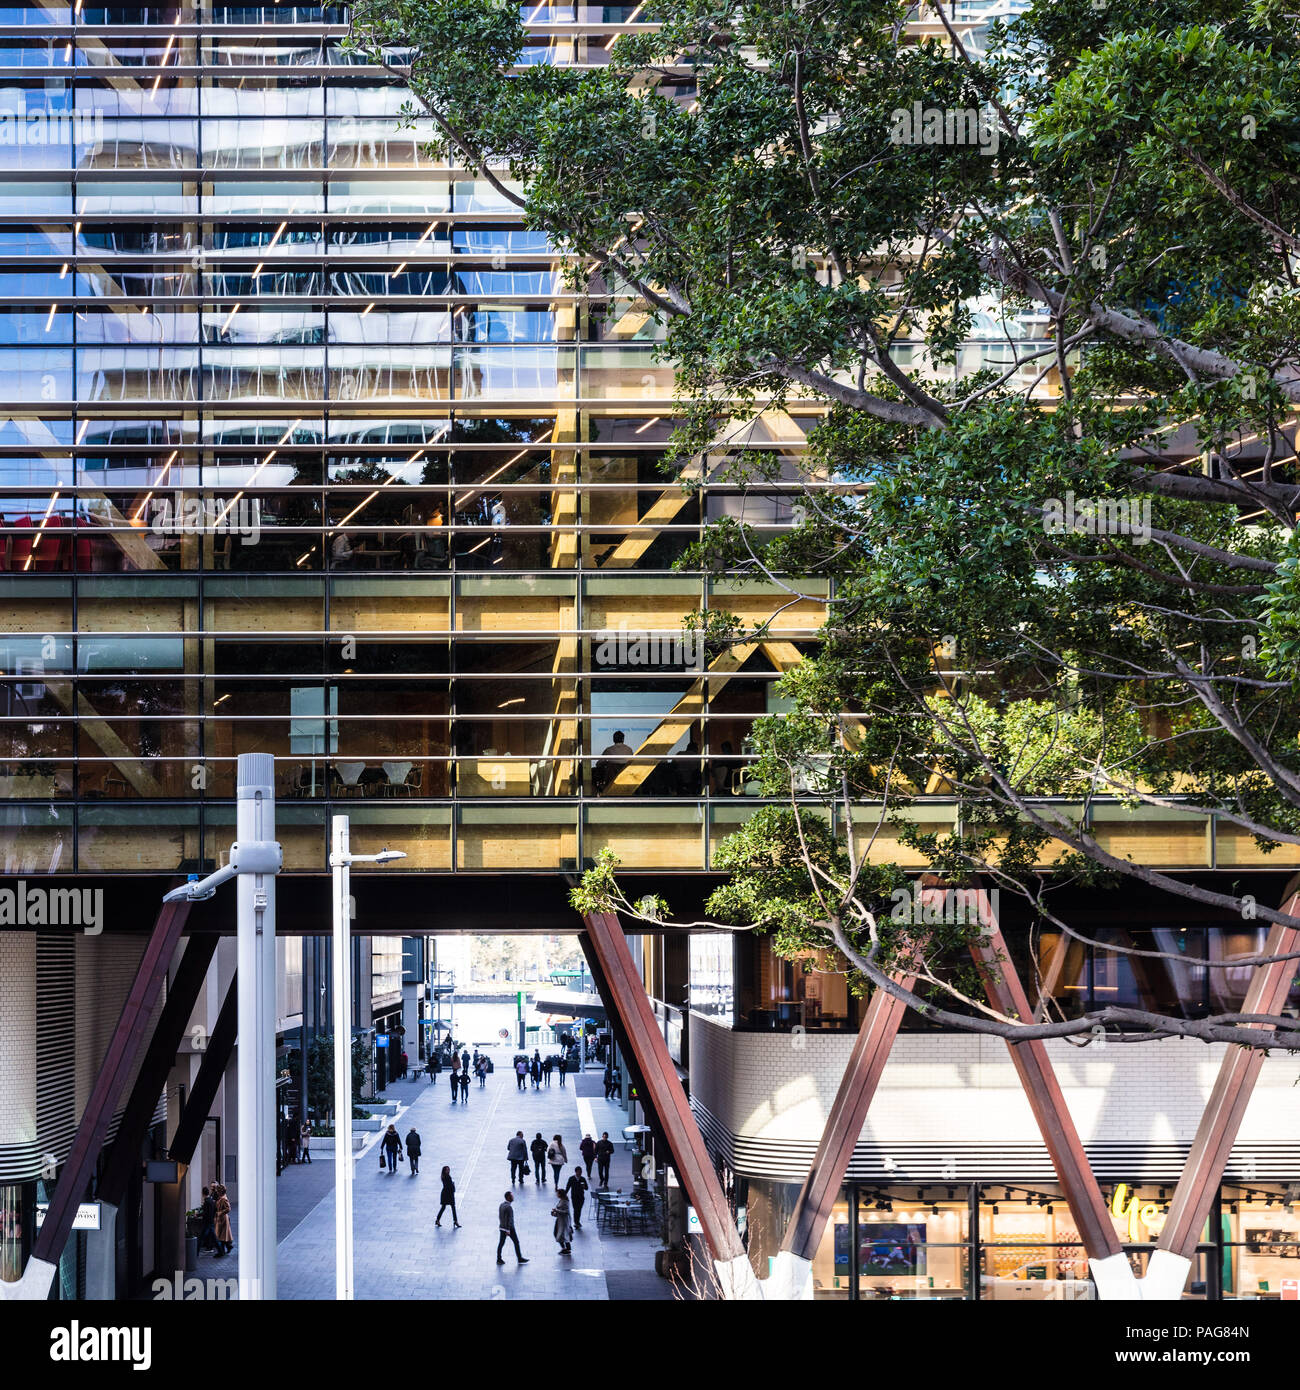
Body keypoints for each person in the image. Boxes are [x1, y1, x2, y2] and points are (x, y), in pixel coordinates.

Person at [496, 1192, 528, 1265]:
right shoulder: (509, 1207)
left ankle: (499, 1258)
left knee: (501, 1243)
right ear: (508, 1197)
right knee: (516, 1242)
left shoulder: (501, 1205)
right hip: (509, 1228)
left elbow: (501, 1217)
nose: (513, 1197)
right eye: (512, 1196)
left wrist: (502, 1226)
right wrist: (508, 1230)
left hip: (502, 1227)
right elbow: (509, 1219)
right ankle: (519, 1258)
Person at [565, 1166, 589, 1230]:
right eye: (579, 1172)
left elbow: (587, 1188)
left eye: (581, 1172)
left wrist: (584, 1187)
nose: (580, 1173)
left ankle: (577, 1221)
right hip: (574, 1197)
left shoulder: (583, 1179)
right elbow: (568, 1187)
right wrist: (564, 1194)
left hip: (581, 1197)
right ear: (576, 1172)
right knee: (576, 1209)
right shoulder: (571, 1179)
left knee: (579, 1209)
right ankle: (576, 1222)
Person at [551, 1189, 573, 1255]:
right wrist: (554, 1213)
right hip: (559, 1220)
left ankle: (566, 1249)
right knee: (560, 1234)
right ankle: (565, 1248)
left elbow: (566, 1212)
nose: (556, 1194)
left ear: (560, 1194)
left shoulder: (565, 1202)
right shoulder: (561, 1200)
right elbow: (560, 1211)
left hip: (564, 1221)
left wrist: (556, 1210)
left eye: (557, 1193)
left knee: (562, 1234)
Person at [213, 1184, 233, 1256]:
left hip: (223, 1219)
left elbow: (228, 1208)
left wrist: (220, 1213)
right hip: (221, 1218)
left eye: (218, 1191)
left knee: (220, 1235)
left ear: (220, 1191)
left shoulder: (224, 1199)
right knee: (222, 1235)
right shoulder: (221, 1197)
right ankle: (228, 1247)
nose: (217, 1192)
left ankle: (222, 1251)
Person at [199, 1185, 216, 1253]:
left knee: (203, 1235)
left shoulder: (207, 1201)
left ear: (203, 1193)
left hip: (207, 1221)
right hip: (211, 1220)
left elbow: (205, 1213)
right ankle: (213, 1247)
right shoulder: (211, 1200)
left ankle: (198, 1249)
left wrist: (198, 1214)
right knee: (211, 1235)